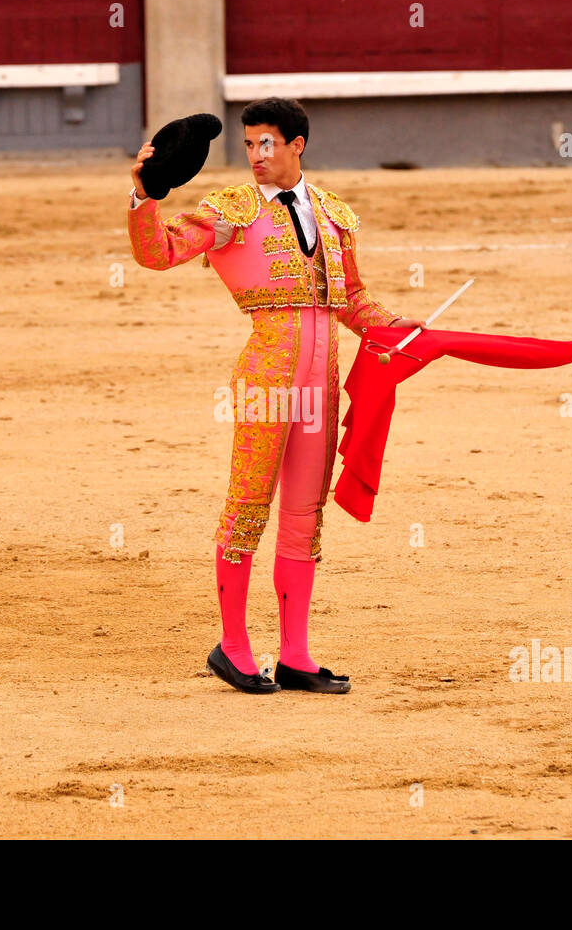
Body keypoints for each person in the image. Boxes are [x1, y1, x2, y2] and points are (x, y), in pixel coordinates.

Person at [127, 97, 424, 695]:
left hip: (321, 382)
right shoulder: (229, 211)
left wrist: (406, 330)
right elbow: (157, 252)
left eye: (268, 143)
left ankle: (295, 654)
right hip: (267, 377)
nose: (256, 156)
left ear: (297, 145)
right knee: (249, 504)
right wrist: (144, 195)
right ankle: (233, 646)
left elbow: (353, 301)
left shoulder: (334, 216)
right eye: (248, 144)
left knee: (303, 515)